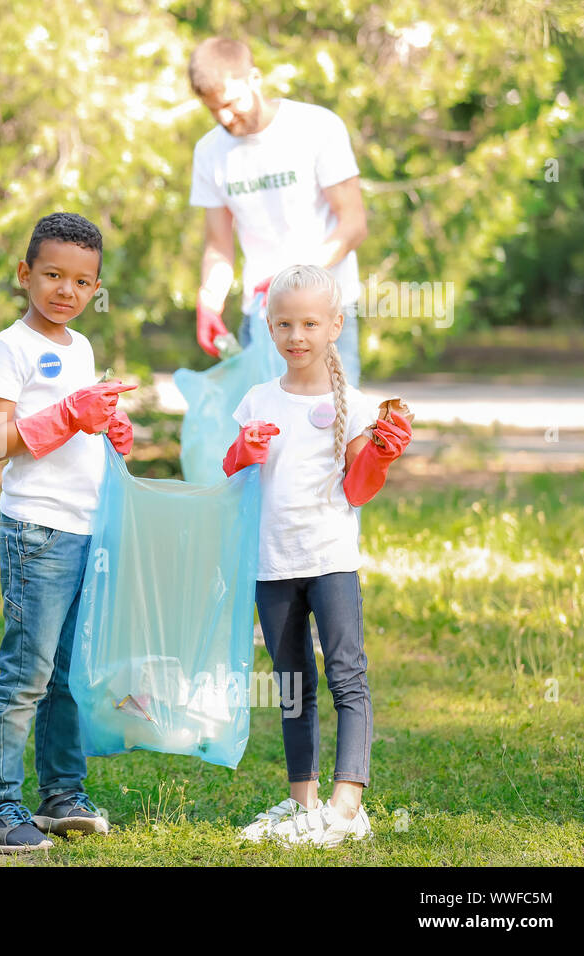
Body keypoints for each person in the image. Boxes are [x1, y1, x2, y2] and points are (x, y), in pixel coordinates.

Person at [221, 264, 411, 848]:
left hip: (329, 558)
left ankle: (347, 805)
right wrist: (242, 449)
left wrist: (380, 456)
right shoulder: (258, 399)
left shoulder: (352, 404)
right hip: (271, 564)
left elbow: (358, 488)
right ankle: (303, 803)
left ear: (335, 326)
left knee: (346, 675)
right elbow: (231, 472)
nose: (296, 335)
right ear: (268, 327)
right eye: (283, 323)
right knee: (291, 683)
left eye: (309, 323)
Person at [0, 212, 136, 852]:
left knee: (69, 673)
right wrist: (71, 414)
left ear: (96, 288)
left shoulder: (82, 348)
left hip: (84, 526)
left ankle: (61, 795)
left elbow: (77, 427)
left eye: (82, 281)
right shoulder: (7, 348)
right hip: (36, 533)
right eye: (53, 276)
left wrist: (106, 431)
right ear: (25, 275)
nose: (66, 291)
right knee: (27, 673)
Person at [188, 36, 368, 386]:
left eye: (230, 102)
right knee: (264, 433)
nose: (224, 117)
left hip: (327, 311)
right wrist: (209, 300)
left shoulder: (316, 127)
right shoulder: (209, 151)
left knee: (336, 431)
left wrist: (295, 276)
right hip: (262, 317)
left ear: (254, 79)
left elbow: (353, 224)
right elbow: (219, 245)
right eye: (213, 109)